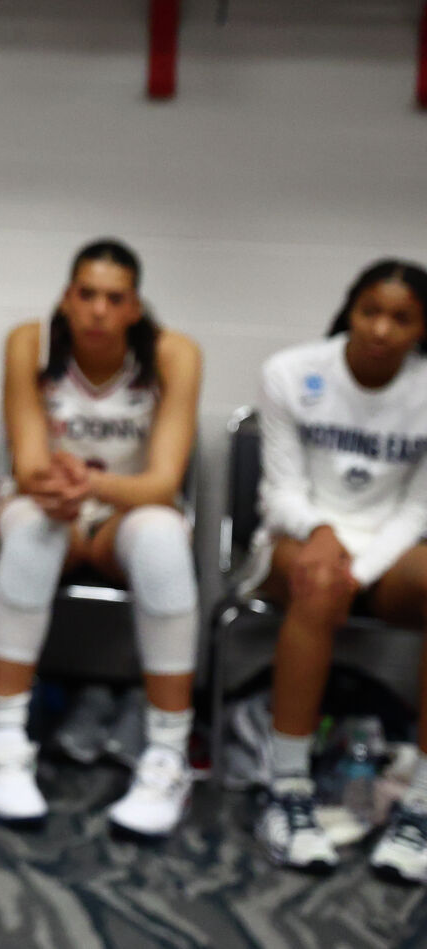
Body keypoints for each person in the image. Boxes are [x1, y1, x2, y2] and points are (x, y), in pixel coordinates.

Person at [0, 240, 203, 838]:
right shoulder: (31, 343)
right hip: (51, 501)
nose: (99, 310)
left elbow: (163, 481)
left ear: (134, 308)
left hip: (126, 510)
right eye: (87, 294)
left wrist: (94, 484)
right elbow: (28, 463)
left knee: (163, 538)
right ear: (66, 299)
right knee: (31, 531)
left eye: (114, 298)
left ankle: (167, 756)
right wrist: (60, 488)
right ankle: (5, 744)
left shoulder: (173, 354)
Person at [251, 260, 427, 878]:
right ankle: (288, 789)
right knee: (318, 583)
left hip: (387, 551)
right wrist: (322, 536)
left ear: (422, 328)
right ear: (349, 310)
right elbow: (280, 493)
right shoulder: (291, 373)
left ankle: (420, 804)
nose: (380, 329)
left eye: (401, 318)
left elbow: (417, 511)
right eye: (369, 311)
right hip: (301, 537)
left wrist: (362, 568)